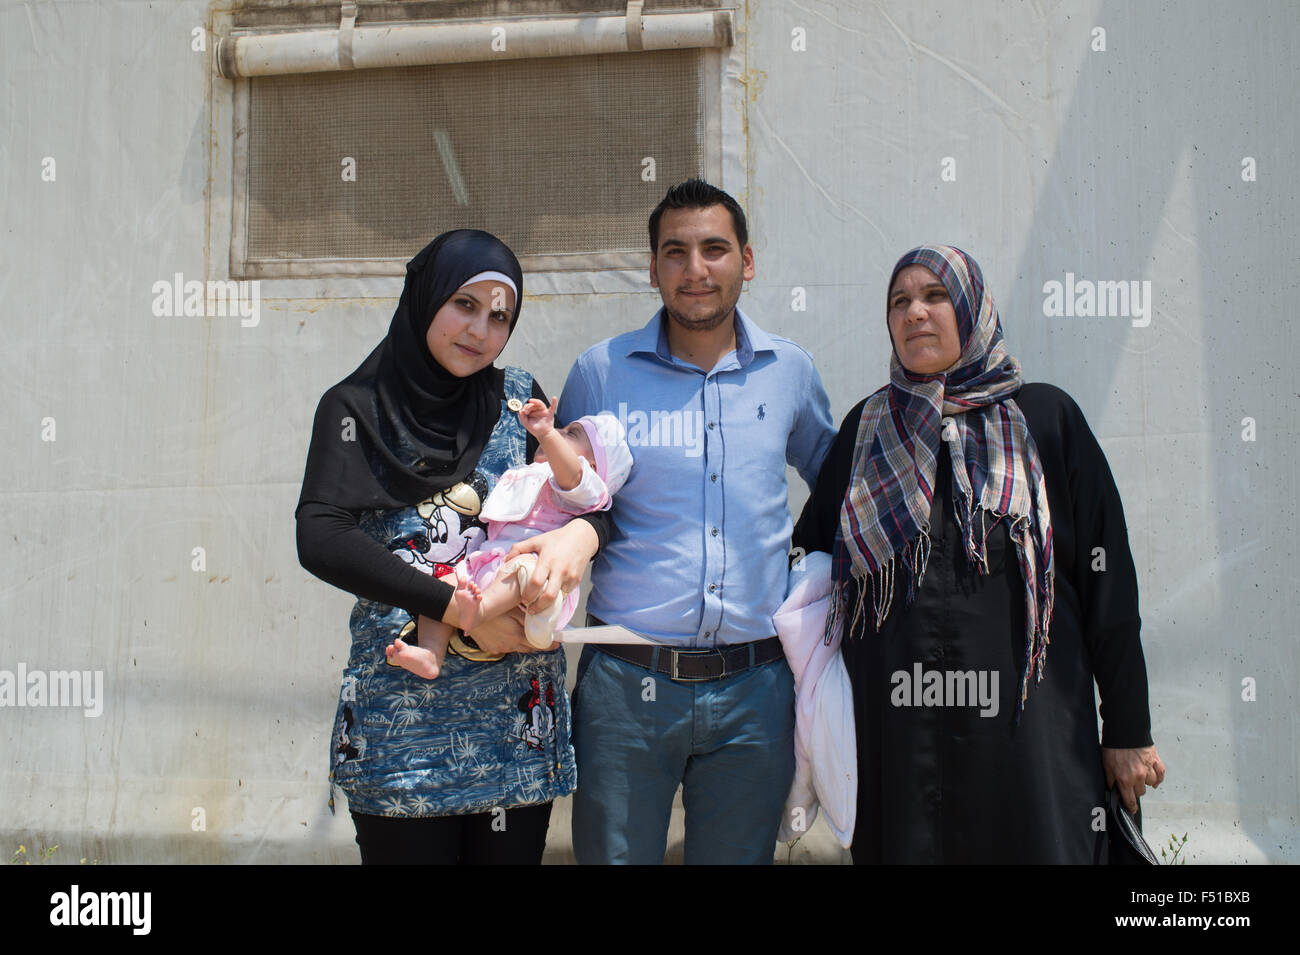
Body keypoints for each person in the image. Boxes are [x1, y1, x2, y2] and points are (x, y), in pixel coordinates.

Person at [791, 244, 1166, 863]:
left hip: (1030, 735)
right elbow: (808, 564)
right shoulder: (868, 431)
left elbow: (1110, 588)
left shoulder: (1046, 419)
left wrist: (1127, 730)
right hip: (899, 737)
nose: (916, 313)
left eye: (935, 296)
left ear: (973, 310)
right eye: (900, 302)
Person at [294, 229, 607, 865]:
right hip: (403, 725)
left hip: (514, 719)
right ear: (425, 297)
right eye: (464, 304)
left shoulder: (517, 397)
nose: (480, 330)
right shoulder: (354, 408)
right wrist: (456, 608)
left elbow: (584, 490)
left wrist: (584, 535)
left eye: (500, 316)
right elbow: (321, 535)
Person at [551, 179, 836, 864]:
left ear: (748, 258)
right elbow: (563, 504)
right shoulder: (601, 372)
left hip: (756, 686)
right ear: (653, 268)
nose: (695, 269)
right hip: (625, 683)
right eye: (675, 252)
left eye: (714, 249)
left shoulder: (790, 372)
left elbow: (833, 488)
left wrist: (808, 590)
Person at [385, 399, 632, 678]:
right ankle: (431, 653)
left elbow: (572, 475)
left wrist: (547, 434)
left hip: (532, 577)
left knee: (523, 569)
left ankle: (480, 612)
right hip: (487, 562)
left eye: (571, 434)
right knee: (442, 586)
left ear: (593, 468)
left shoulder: (582, 489)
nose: (560, 431)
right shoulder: (529, 473)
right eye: (561, 430)